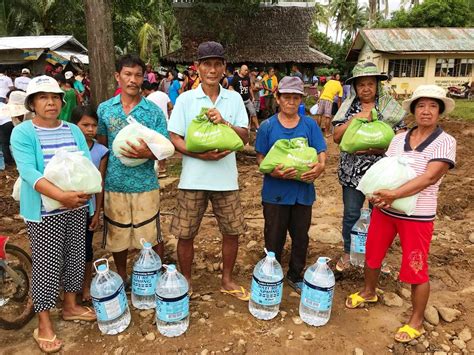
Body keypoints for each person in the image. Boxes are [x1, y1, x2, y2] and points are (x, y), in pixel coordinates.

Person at [345, 85, 456, 343]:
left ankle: (416, 320)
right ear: (414, 110)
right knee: (372, 252)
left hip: (417, 216)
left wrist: (393, 195)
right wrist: (373, 194)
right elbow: (386, 170)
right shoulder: (398, 139)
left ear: (439, 111)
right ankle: (368, 291)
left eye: (432, 106)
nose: (426, 111)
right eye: (421, 106)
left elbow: (429, 177)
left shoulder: (445, 142)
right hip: (385, 210)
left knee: (415, 265)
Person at [10, 75, 97, 353]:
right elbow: (29, 172)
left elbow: (85, 166)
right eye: (43, 97)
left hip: (77, 205)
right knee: (46, 264)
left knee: (75, 255)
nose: (51, 102)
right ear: (33, 103)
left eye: (56, 97)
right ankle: (44, 322)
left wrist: (87, 201)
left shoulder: (72, 129)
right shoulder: (23, 133)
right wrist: (61, 196)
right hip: (45, 211)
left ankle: (70, 305)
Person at [168, 41, 250, 300]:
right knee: (185, 232)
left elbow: (244, 137)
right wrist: (198, 154)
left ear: (224, 67)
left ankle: (226, 279)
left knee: (232, 230)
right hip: (193, 178)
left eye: (217, 64)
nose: (212, 70)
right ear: (197, 68)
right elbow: (175, 137)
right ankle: (187, 280)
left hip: (226, 180)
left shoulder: (234, 99)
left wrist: (224, 122)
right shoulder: (185, 99)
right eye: (207, 64)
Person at [96, 54, 169, 287]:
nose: (133, 80)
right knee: (118, 236)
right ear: (118, 77)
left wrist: (146, 154)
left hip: (145, 183)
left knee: (151, 234)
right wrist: (100, 182)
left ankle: (152, 274)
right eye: (127, 74)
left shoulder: (153, 112)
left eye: (138, 75)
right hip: (114, 184)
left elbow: (165, 148)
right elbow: (101, 148)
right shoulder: (105, 110)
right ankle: (122, 275)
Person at [332, 62, 406, 272]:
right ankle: (348, 252)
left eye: (370, 84)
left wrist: (379, 150)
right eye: (361, 84)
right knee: (352, 213)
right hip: (352, 172)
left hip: (382, 172)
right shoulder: (348, 108)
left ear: (377, 85)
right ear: (355, 87)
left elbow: (402, 136)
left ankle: (375, 256)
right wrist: (355, 120)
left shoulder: (388, 108)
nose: (366, 88)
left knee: (379, 216)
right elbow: (336, 137)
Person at [255, 76, 327, 293]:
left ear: (300, 100)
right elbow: (260, 158)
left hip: (302, 192)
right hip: (275, 192)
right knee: (273, 236)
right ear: (278, 98)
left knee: (300, 237)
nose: (291, 102)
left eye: (296, 98)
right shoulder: (267, 126)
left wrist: (320, 167)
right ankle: (271, 273)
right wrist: (273, 171)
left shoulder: (309, 125)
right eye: (286, 97)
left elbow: (321, 151)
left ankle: (295, 274)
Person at [70, 105, 109, 302]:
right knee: (68, 249)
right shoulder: (67, 148)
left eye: (94, 125)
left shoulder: (101, 151)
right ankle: (69, 288)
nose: (90, 129)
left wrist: (97, 213)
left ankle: (85, 287)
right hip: (67, 208)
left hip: (88, 208)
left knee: (86, 249)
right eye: (84, 125)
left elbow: (100, 183)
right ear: (73, 125)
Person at [147, 82, 173, 179]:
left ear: (146, 89)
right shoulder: (164, 94)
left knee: (155, 146)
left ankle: (157, 168)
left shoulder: (148, 98)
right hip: (165, 122)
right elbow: (171, 106)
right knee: (164, 145)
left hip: (153, 124)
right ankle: (163, 168)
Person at [232, 64, 259, 131]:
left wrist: (252, 97)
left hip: (247, 100)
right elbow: (230, 87)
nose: (246, 71)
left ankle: (258, 127)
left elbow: (250, 88)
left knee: (253, 112)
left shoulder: (247, 78)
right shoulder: (235, 78)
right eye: (245, 70)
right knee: (242, 115)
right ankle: (244, 128)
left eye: (247, 70)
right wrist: (235, 95)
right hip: (239, 101)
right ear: (241, 70)